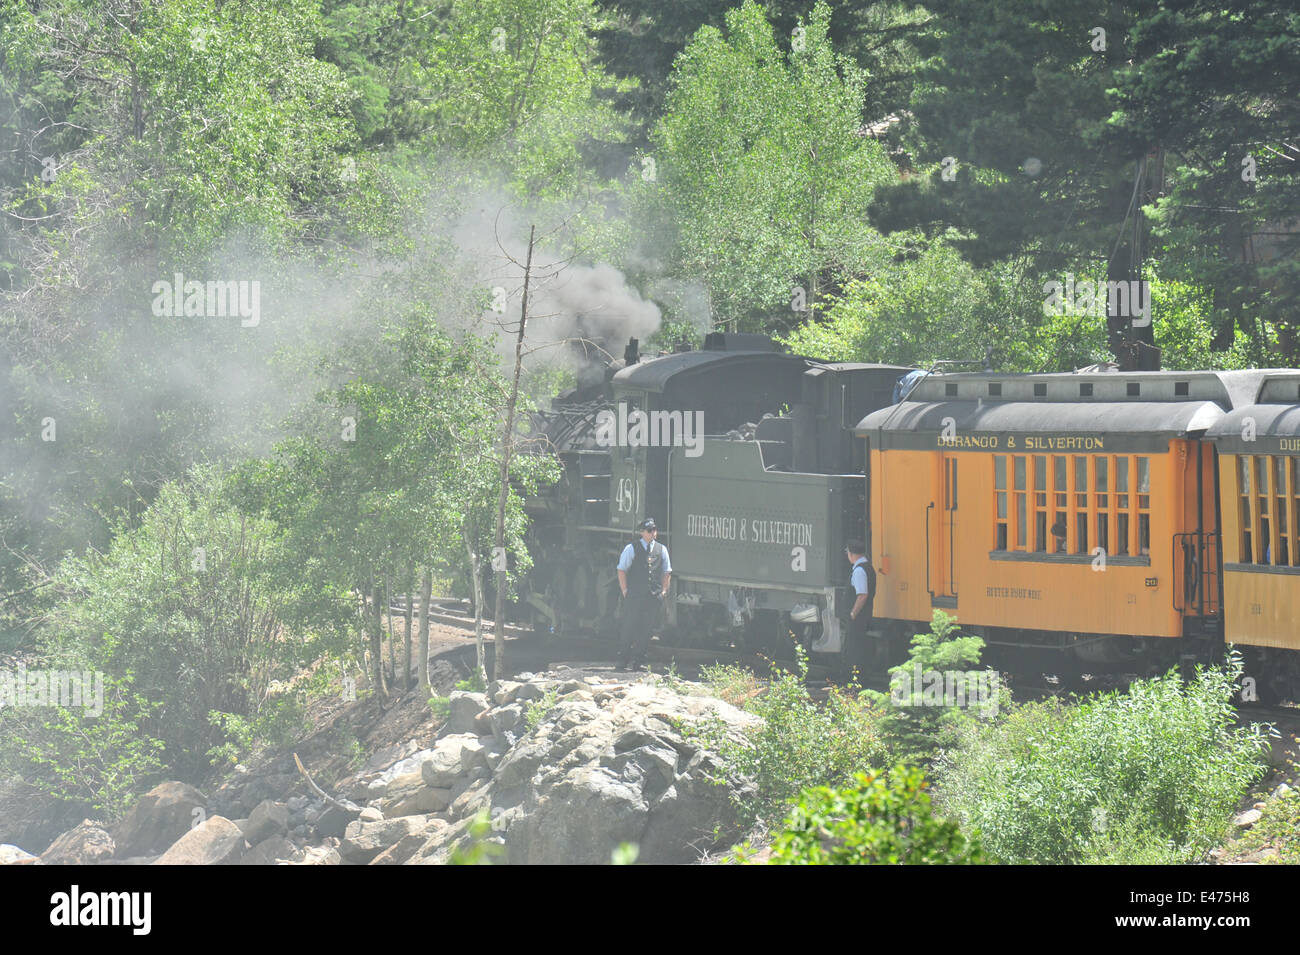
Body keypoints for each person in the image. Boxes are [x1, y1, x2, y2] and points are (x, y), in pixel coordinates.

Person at [616, 518, 672, 670]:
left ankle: (639, 660)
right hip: (634, 595)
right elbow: (622, 569)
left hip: (653, 597)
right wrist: (625, 590)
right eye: (649, 530)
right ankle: (622, 659)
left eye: (654, 530)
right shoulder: (631, 548)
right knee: (629, 626)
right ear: (642, 532)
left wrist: (664, 591)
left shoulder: (662, 549)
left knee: (646, 629)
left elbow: (667, 571)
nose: (653, 533)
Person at [845, 539, 876, 674]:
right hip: (865, 615)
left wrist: (853, 613)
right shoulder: (869, 568)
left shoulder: (859, 571)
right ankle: (859, 677)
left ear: (851, 554)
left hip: (858, 617)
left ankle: (855, 678)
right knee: (859, 646)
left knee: (854, 648)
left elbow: (862, 594)